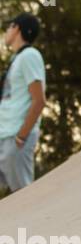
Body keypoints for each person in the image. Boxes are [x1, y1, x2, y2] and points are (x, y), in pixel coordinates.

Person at [0, 13, 46, 196]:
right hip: (4, 135)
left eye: (9, 26)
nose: (6, 31)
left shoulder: (30, 56)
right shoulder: (17, 59)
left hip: (16, 138)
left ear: (17, 28)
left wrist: (21, 136)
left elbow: (39, 100)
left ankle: (38, 225)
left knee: (23, 196)